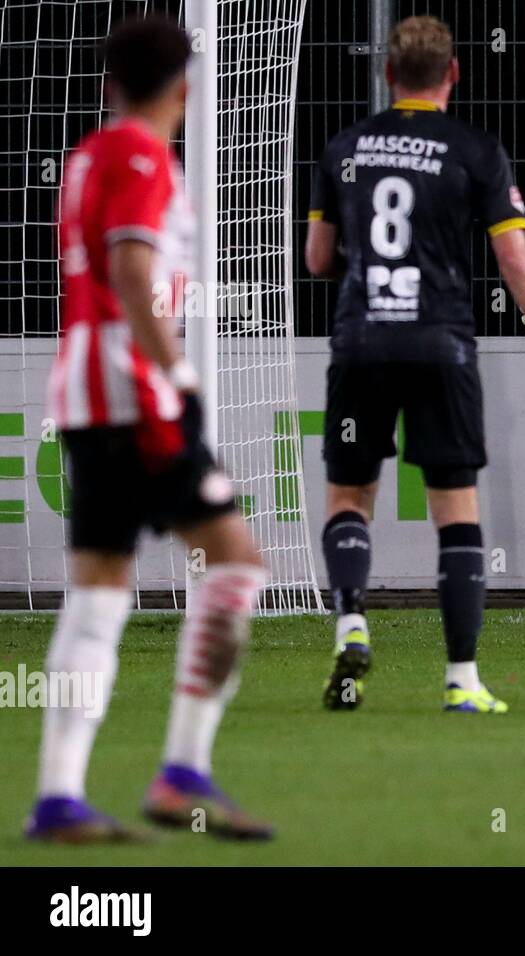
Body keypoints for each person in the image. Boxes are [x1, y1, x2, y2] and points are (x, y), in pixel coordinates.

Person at [28, 16, 272, 842]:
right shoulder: (140, 156)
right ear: (184, 89)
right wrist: (176, 376)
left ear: (108, 84)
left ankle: (59, 795)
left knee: (98, 592)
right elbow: (133, 272)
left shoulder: (88, 154)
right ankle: (182, 774)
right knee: (235, 563)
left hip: (85, 394)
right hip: (136, 395)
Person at [305, 16, 525, 713]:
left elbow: (316, 260)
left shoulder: (345, 148)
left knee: (349, 498)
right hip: (441, 345)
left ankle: (351, 625)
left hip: (362, 344)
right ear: (453, 73)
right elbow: (515, 259)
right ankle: (462, 681)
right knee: (454, 511)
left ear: (387, 75)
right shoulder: (473, 150)